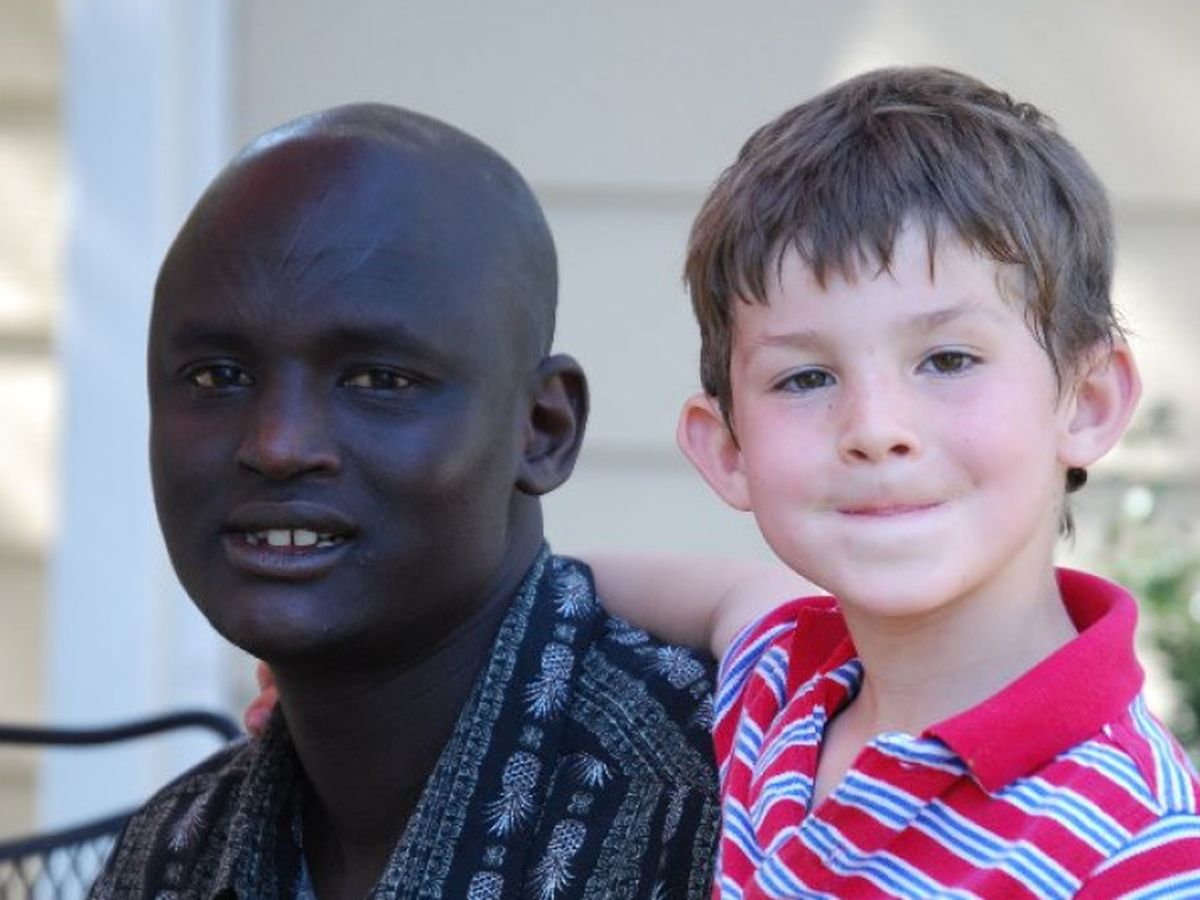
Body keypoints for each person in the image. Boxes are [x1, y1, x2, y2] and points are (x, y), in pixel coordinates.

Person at [590, 67, 1200, 896]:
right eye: (806, 378)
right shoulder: (783, 682)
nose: (875, 429)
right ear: (728, 449)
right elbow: (725, 596)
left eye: (947, 360)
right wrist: (513, 581)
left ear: (1086, 402)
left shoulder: (1143, 849)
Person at [91, 104, 720, 899]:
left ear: (542, 429)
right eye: (219, 376)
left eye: (378, 380)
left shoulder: (722, 814)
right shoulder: (174, 854)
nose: (277, 445)